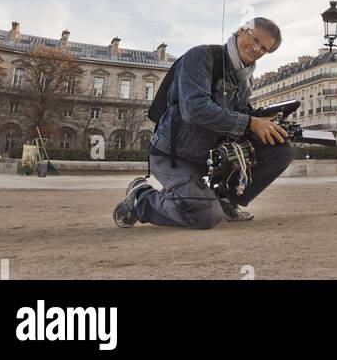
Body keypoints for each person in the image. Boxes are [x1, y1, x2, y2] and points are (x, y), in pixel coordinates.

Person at [112, 17, 292, 229]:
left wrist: (262, 119)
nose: (256, 49)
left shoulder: (246, 79)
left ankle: (226, 201)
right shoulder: (201, 56)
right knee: (204, 216)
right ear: (242, 30)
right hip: (174, 155)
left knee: (281, 150)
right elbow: (195, 109)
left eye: (264, 48)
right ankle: (141, 198)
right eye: (255, 39)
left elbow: (238, 116)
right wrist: (250, 122)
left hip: (209, 158)